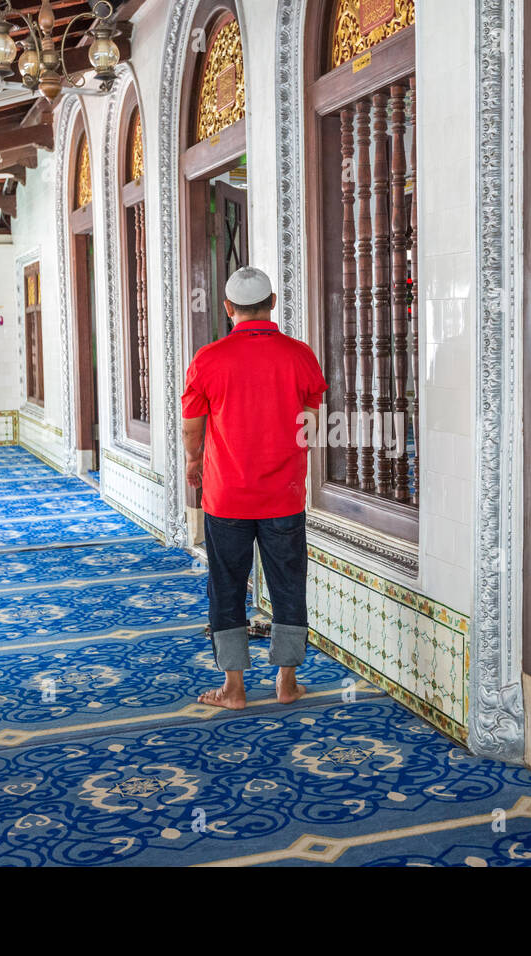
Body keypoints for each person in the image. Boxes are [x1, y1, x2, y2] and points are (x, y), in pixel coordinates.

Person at [180, 266, 328, 710]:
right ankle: (286, 681)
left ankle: (234, 688)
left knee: (226, 585)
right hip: (283, 494)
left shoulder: (209, 358)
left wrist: (193, 460)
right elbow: (312, 424)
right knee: (288, 584)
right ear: (274, 303)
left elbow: (192, 426)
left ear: (228, 309)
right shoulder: (299, 355)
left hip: (226, 497)